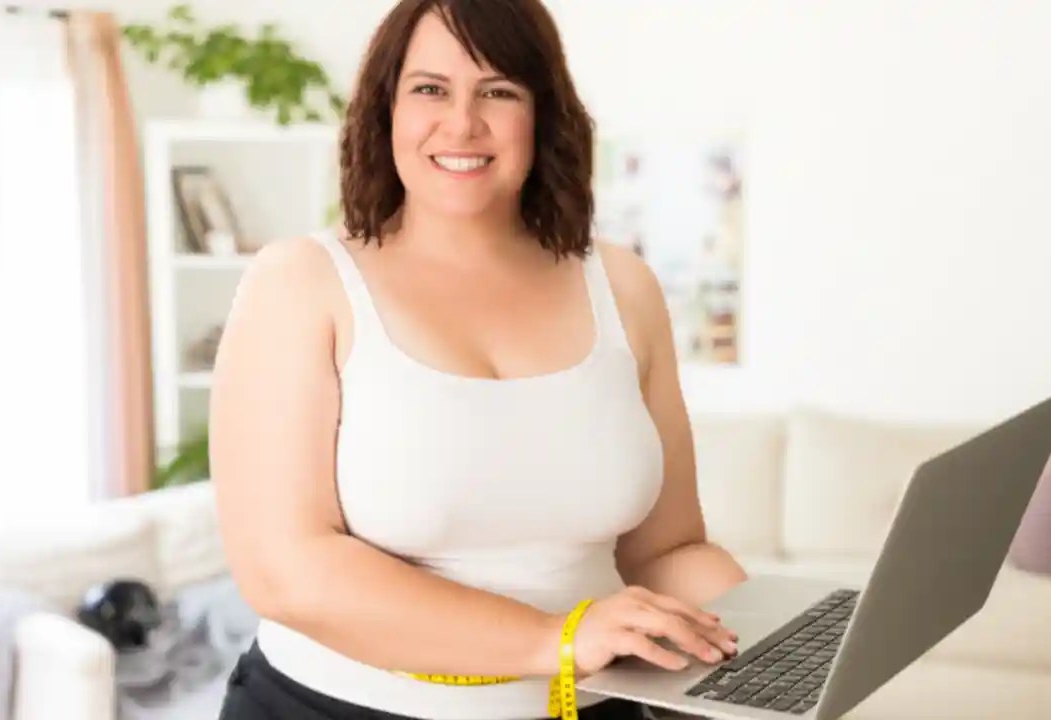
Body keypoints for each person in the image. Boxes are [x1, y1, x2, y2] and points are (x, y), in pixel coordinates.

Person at [208, 0, 749, 718]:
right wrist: (553, 640)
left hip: (587, 706)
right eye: (430, 89)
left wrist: (782, 634)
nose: (462, 123)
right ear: (386, 111)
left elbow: (667, 552)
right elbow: (286, 572)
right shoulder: (300, 283)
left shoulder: (623, 287)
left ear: (543, 115)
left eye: (498, 91)